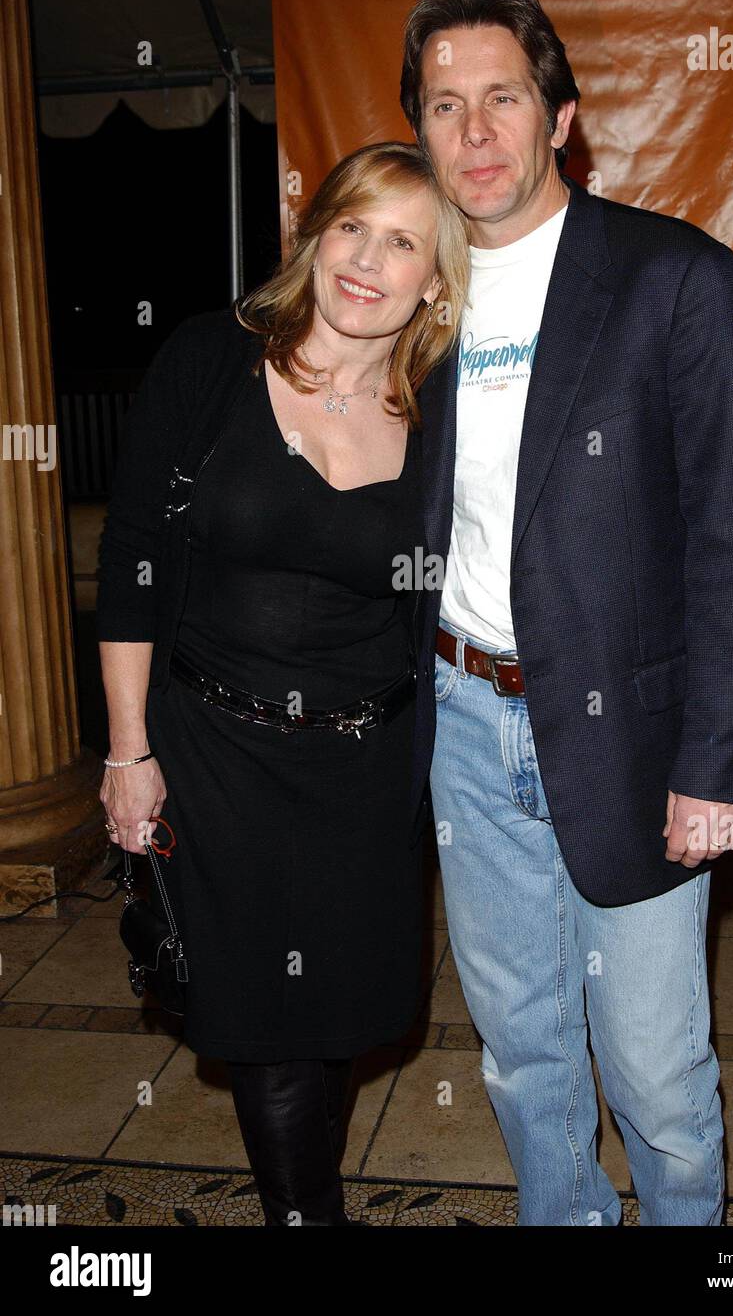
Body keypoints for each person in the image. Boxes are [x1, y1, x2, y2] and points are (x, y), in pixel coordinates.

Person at [399, 0, 733, 1226]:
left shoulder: (676, 277)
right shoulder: (413, 295)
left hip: (632, 734)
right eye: (444, 106)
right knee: (523, 1058)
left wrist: (717, 766)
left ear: (559, 116)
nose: (474, 132)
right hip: (464, 726)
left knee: (657, 1076)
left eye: (502, 98)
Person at [96, 140, 469, 1226]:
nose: (367, 259)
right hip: (219, 758)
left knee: (338, 1016)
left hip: (365, 770)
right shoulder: (210, 359)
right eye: (351, 225)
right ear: (314, 236)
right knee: (265, 1025)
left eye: (401, 242)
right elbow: (132, 562)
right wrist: (128, 751)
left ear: (435, 280)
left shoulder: (443, 409)